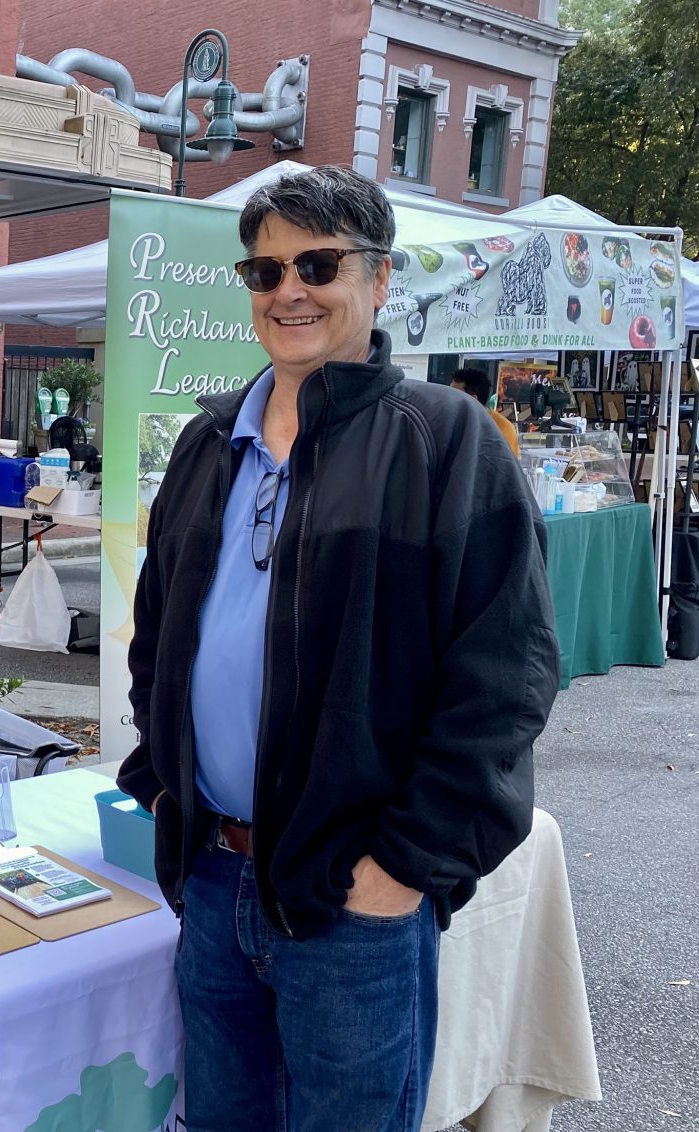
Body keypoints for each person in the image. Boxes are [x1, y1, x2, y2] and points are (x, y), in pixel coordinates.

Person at [118, 165, 558, 1131]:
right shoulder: (207, 443)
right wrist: (161, 784)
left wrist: (400, 868)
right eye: (265, 271)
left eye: (318, 264)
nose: (290, 291)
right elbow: (157, 637)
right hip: (214, 878)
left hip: (351, 902)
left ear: (380, 277)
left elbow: (505, 679)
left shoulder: (446, 443)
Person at [451, 366, 519, 455]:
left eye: (454, 395)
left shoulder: (503, 428)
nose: (449, 398)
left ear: (473, 399)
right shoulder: (451, 421)